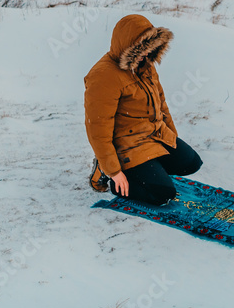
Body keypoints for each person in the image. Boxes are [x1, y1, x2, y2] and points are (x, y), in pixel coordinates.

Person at [84, 14, 202, 206]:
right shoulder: (103, 77)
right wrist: (114, 171)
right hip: (127, 146)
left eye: (149, 49)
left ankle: (149, 168)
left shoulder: (145, 65)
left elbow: (161, 104)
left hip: (152, 135)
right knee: (163, 194)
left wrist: (171, 138)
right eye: (141, 50)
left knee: (190, 163)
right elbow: (97, 129)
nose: (146, 55)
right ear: (127, 48)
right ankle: (106, 172)